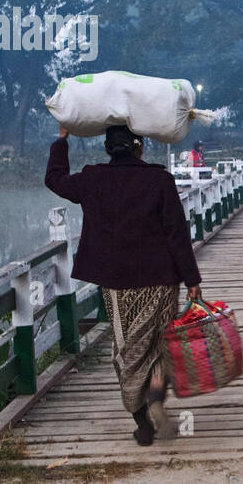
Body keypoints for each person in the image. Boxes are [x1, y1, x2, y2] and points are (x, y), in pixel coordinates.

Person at [45, 124, 203, 446]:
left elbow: (55, 179)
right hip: (159, 281)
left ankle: (142, 422)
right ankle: (156, 398)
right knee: (158, 347)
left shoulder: (92, 178)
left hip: (117, 286)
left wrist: (62, 140)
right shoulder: (160, 180)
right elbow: (176, 233)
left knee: (127, 351)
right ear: (140, 147)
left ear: (107, 148)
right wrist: (192, 280)